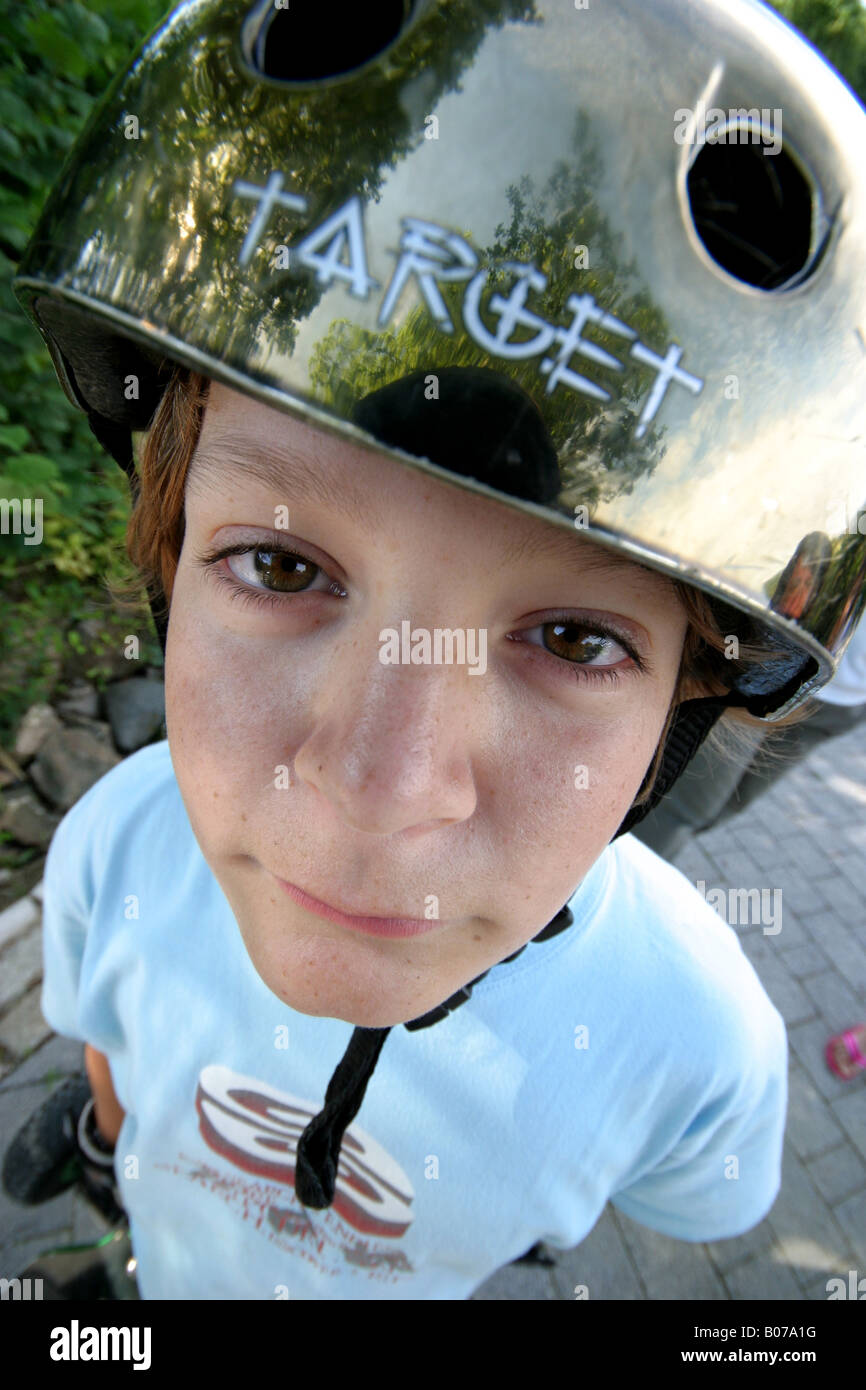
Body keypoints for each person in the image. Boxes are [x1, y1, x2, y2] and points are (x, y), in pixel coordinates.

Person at [4, 0, 866, 1300]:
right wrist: (109, 1138)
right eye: (283, 566)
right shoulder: (113, 852)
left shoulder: (692, 1044)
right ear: (167, 554)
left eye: (573, 637)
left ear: (682, 714)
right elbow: (109, 1039)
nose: (382, 785)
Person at [631, 614, 866, 861]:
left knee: (729, 804)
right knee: (683, 809)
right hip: (775, 667)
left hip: (843, 704)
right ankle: (621, 882)